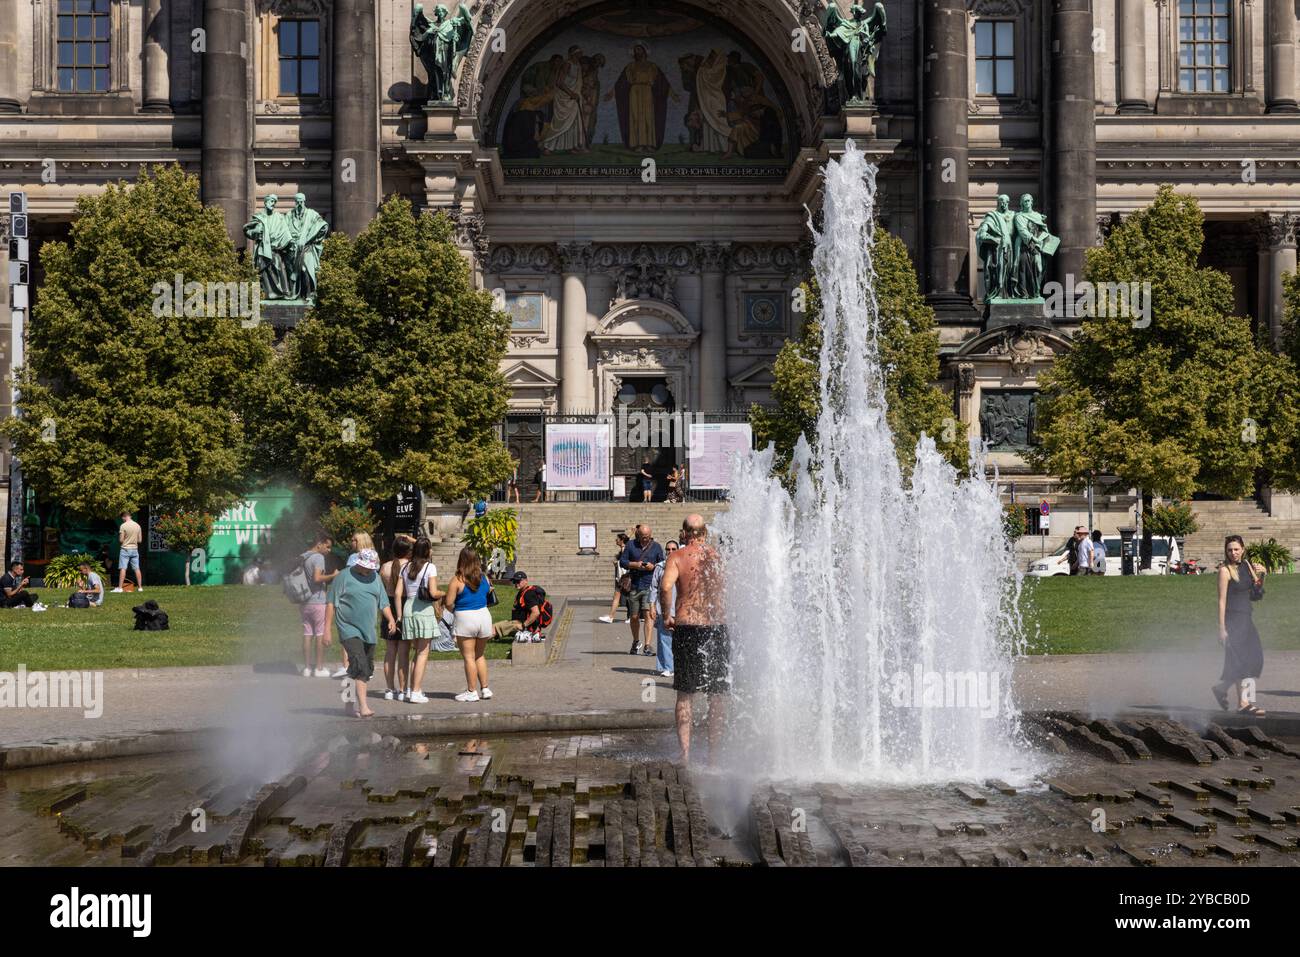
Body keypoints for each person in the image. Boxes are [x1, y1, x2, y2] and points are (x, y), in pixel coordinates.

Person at [659, 514, 726, 764]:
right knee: (717, 694)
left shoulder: (677, 556)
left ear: (685, 533)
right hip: (716, 626)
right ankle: (715, 756)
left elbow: (666, 587)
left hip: (687, 626)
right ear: (705, 533)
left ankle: (685, 755)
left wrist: (667, 615)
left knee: (685, 694)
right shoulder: (717, 557)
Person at [324, 548, 396, 719]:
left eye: (372, 568)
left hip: (368, 631)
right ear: (358, 563)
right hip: (348, 628)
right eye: (367, 567)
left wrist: (391, 619)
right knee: (360, 665)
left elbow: (383, 602)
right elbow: (330, 603)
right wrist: (326, 630)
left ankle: (348, 706)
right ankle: (363, 707)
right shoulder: (343, 576)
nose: (369, 570)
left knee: (357, 669)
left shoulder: (375, 578)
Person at [1213, 535, 1266, 716]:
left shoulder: (1247, 567)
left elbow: (1256, 595)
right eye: (1229, 550)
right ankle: (1243, 704)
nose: (1233, 553)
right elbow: (1221, 601)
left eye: (1236, 549)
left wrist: (1262, 575)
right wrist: (1222, 628)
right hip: (1233, 621)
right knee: (1240, 660)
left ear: (1243, 549)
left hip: (1246, 619)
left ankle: (1222, 688)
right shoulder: (1225, 571)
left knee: (1254, 657)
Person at [395, 537, 445, 705]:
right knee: (422, 653)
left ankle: (412, 688)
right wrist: (443, 593)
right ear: (427, 551)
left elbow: (398, 593)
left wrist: (399, 616)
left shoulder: (405, 567)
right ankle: (415, 691)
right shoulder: (430, 567)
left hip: (408, 608)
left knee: (415, 652)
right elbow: (433, 592)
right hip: (423, 610)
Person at [443, 547, 495, 702]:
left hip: (466, 617)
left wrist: (454, 610)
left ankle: (471, 691)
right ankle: (485, 688)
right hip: (484, 616)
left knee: (468, 657)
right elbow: (487, 593)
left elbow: (449, 603)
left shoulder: (458, 580)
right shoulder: (484, 578)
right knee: (479, 655)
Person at [619, 524, 664, 655]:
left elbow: (662, 563)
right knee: (634, 617)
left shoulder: (656, 546)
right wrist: (635, 564)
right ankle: (636, 641)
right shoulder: (631, 545)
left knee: (648, 614)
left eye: (648, 537)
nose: (645, 539)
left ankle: (648, 645)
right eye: (643, 537)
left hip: (650, 585)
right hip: (634, 585)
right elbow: (623, 561)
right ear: (638, 535)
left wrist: (653, 566)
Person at [380, 536, 415, 701]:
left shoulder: (385, 567)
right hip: (404, 607)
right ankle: (402, 690)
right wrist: (412, 540)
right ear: (408, 551)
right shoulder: (410, 567)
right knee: (403, 652)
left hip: (388, 608)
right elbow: (429, 550)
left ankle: (389, 689)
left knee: (390, 651)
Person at [300, 533, 338, 677]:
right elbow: (317, 578)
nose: (328, 550)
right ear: (319, 544)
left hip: (304, 601)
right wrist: (333, 576)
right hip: (318, 600)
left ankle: (307, 668)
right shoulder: (318, 558)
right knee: (320, 634)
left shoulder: (303, 556)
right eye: (327, 546)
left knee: (307, 634)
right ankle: (319, 668)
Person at [648, 540, 678, 677]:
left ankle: (679, 666)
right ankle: (667, 667)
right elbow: (654, 587)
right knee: (664, 639)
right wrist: (652, 605)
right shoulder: (660, 567)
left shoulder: (682, 565)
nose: (670, 552)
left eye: (673, 549)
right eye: (668, 549)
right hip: (664, 608)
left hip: (680, 609)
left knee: (680, 640)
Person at [496, 570, 548, 643]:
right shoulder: (523, 592)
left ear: (526, 581)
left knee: (496, 628)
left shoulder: (528, 594)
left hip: (522, 625)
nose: (516, 584)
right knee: (497, 627)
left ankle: (477, 639)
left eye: (518, 581)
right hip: (518, 623)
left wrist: (523, 625)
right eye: (514, 582)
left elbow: (536, 613)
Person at [598, 532, 631, 623]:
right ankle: (613, 616)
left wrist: (617, 563)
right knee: (621, 596)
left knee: (624, 597)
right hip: (623, 577)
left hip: (624, 577)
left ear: (621, 540)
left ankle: (613, 616)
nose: (616, 540)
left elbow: (626, 562)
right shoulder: (624, 548)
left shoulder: (625, 549)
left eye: (617, 539)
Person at [113, 510, 144, 593]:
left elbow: (121, 540)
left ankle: (120, 588)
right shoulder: (138, 526)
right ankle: (140, 587)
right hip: (134, 549)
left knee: (123, 568)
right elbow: (140, 540)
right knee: (137, 568)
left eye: (122, 518)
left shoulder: (123, 526)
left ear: (124, 517)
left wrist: (126, 539)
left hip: (125, 549)